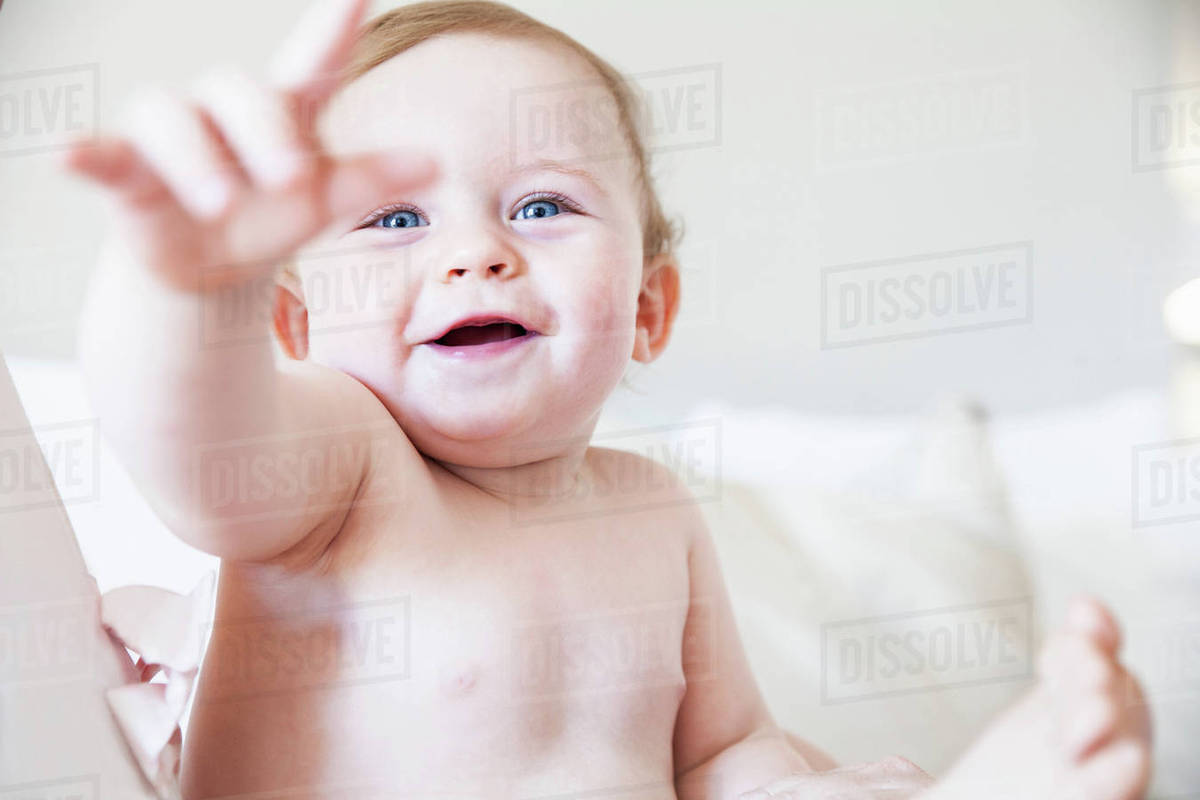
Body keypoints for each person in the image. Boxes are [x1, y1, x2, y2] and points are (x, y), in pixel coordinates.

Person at [63, 0, 1153, 796]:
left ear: (646, 307)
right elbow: (199, 450)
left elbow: (720, 752)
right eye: (396, 220)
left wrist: (808, 787)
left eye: (542, 205)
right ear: (296, 327)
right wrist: (186, 284)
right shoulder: (345, 468)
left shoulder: (653, 512)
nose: (476, 253)